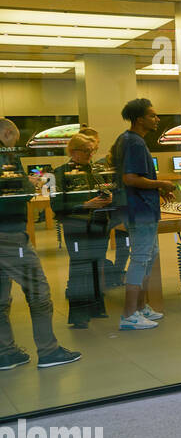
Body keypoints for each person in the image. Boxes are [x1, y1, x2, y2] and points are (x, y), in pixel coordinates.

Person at [0, 118, 80, 369]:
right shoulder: (6, 156)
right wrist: (30, 183)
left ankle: (6, 352)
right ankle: (49, 351)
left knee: (1, 300)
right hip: (11, 236)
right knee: (39, 294)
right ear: (7, 133)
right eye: (15, 136)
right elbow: (18, 189)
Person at [111, 98, 174, 331]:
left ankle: (140, 307)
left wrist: (157, 189)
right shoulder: (134, 143)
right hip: (140, 211)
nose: (157, 119)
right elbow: (131, 178)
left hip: (141, 207)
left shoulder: (129, 140)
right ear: (140, 120)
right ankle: (129, 314)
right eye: (153, 115)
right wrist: (162, 183)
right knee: (140, 258)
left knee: (149, 255)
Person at [51, 133, 114, 328]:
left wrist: (109, 197)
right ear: (72, 152)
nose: (90, 155)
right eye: (86, 151)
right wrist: (85, 204)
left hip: (99, 224)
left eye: (92, 151)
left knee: (97, 265)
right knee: (80, 268)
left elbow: (108, 188)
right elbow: (56, 204)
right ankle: (78, 315)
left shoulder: (97, 171)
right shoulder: (58, 173)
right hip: (76, 226)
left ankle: (96, 308)